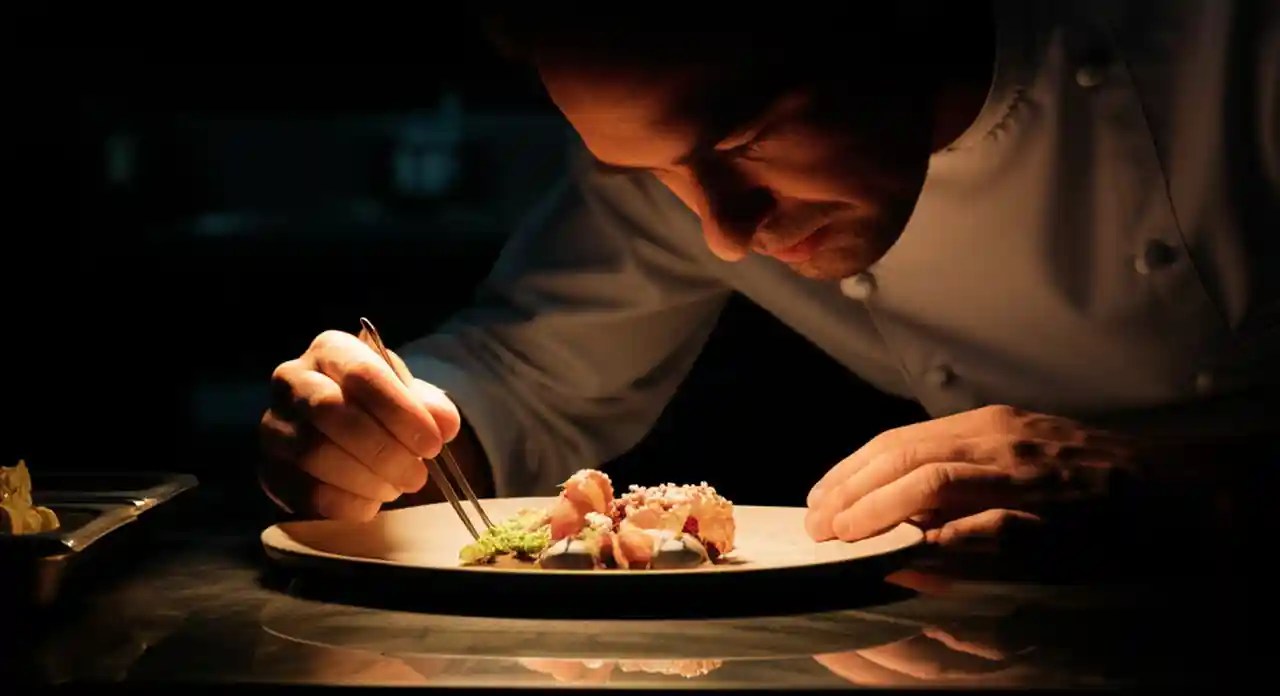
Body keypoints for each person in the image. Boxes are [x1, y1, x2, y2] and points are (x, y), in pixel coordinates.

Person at [257, 2, 1278, 560]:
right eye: (651, 171)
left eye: (746, 140)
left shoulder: (1233, 48)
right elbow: (518, 375)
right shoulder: (683, 175)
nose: (723, 230)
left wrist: (1201, 491)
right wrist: (381, 424)